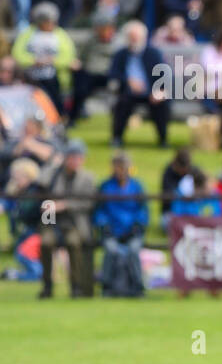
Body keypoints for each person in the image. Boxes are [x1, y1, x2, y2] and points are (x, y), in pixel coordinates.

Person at [37, 138, 97, 298]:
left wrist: (66, 204)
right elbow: (41, 187)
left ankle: (76, 287)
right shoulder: (54, 173)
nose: (76, 160)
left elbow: (89, 203)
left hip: (74, 223)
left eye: (79, 157)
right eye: (72, 156)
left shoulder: (88, 178)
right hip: (51, 221)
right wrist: (52, 166)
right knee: (45, 243)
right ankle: (47, 286)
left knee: (74, 243)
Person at [93, 151, 149, 297]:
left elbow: (143, 210)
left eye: (123, 167)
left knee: (133, 250)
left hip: (132, 232)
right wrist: (104, 226)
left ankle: (137, 286)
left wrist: (138, 225)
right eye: (117, 167)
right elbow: (99, 211)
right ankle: (107, 286)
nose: (120, 170)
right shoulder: (105, 186)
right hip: (112, 231)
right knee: (111, 250)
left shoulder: (137, 186)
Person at [107, 20, 168, 147]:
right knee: (122, 103)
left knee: (161, 105)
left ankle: (163, 139)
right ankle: (117, 137)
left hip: (151, 92)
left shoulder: (154, 53)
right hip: (128, 92)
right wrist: (128, 80)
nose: (134, 41)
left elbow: (165, 74)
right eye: (131, 37)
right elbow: (113, 73)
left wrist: (160, 90)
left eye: (137, 38)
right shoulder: (121, 54)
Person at [11, 2, 77, 116]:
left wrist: (53, 61)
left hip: (54, 77)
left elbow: (69, 56)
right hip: (31, 76)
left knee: (54, 101)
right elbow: (17, 54)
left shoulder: (60, 35)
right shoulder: (28, 34)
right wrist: (34, 61)